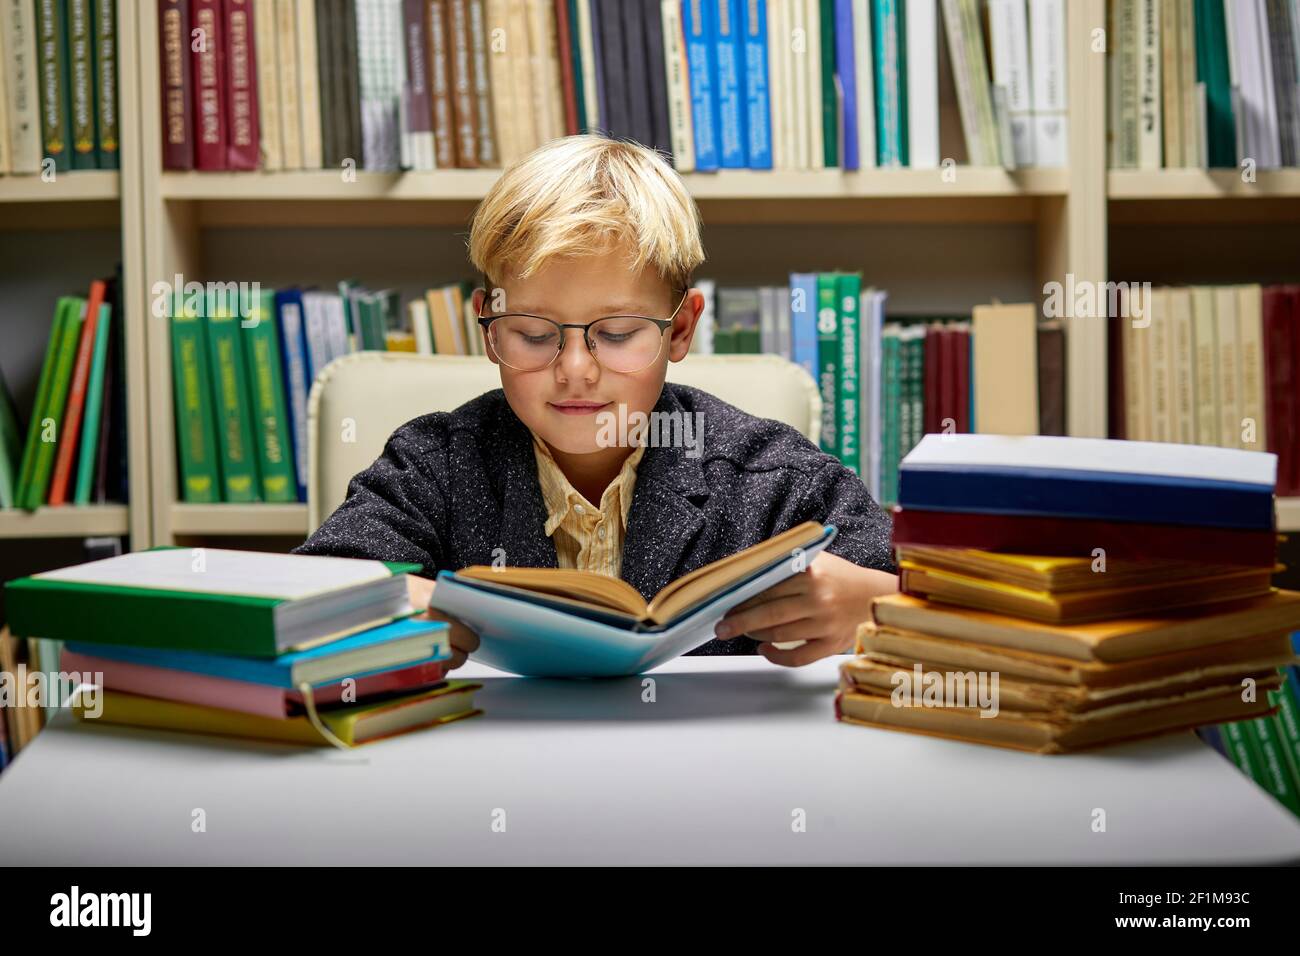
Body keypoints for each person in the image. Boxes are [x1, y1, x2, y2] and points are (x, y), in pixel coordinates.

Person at [295, 134, 897, 669]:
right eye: (532, 333)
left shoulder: (771, 476)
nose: (576, 371)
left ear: (680, 330)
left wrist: (872, 605)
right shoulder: (433, 465)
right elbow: (305, 596)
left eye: (616, 334)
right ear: (488, 329)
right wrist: (389, 604)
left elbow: (938, 602)